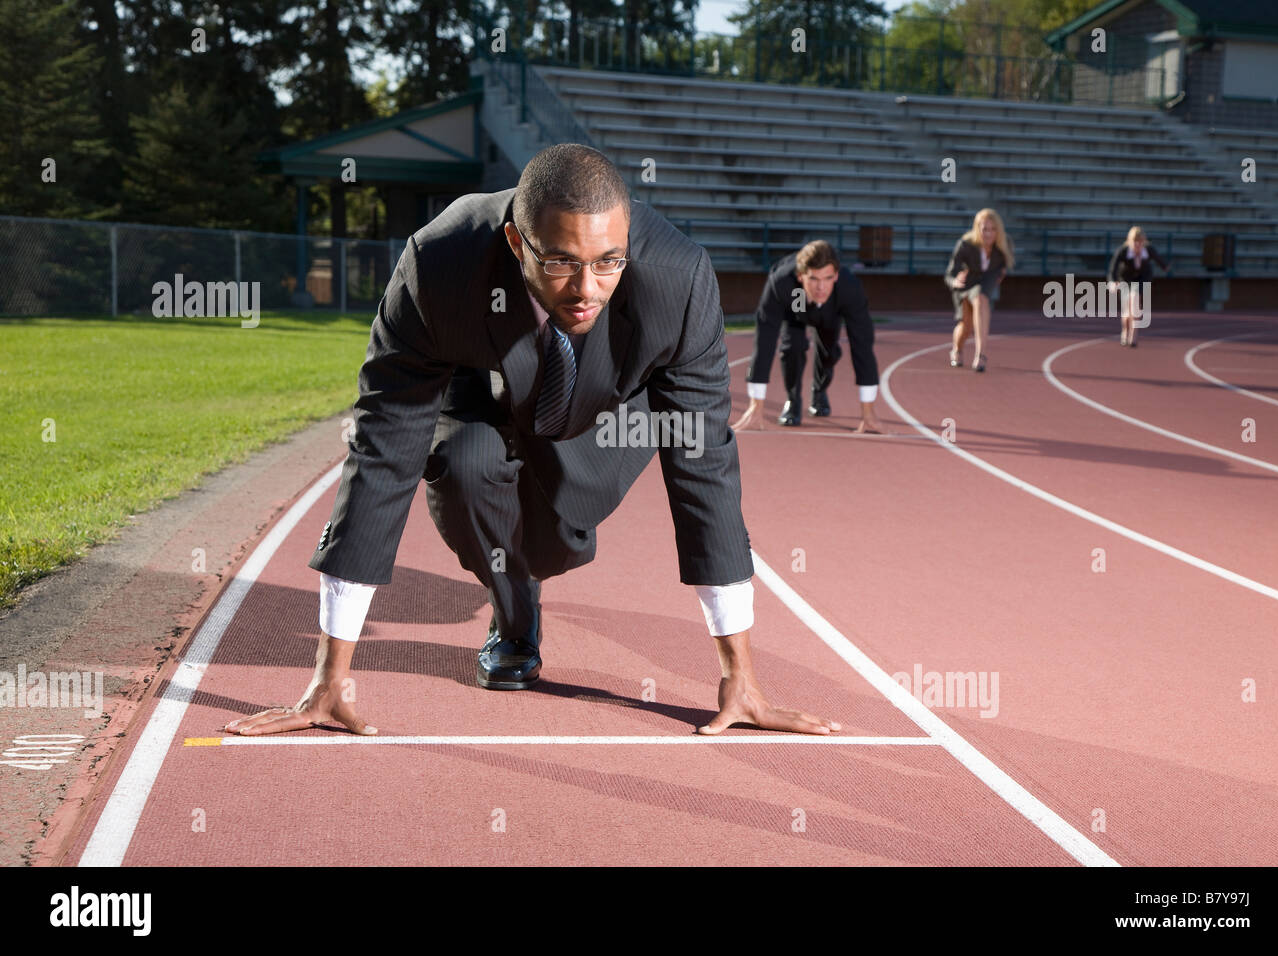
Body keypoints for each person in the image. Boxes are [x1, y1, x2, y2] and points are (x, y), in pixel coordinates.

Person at [225, 144, 839, 738]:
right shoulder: (440, 265)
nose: (587, 289)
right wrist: (329, 679)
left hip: (611, 409)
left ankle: (540, 559)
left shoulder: (677, 282)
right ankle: (515, 624)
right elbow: (384, 444)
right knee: (466, 470)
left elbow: (703, 463)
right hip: (482, 394)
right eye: (563, 262)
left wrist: (742, 677)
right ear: (518, 242)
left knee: (552, 542)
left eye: (608, 261)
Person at [732, 241, 886, 432]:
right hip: (797, 302)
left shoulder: (849, 288)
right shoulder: (782, 282)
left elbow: (862, 345)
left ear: (836, 275)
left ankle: (819, 390)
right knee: (792, 347)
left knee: (829, 353)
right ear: (801, 275)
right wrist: (755, 406)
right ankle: (793, 400)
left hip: (831, 309)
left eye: (827, 278)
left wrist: (868, 412)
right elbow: (764, 341)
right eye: (814, 278)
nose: (821, 287)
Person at [944, 209, 1013, 373]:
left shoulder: (1003, 246)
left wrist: (1000, 274)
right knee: (965, 327)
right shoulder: (965, 245)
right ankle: (956, 349)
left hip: (986, 283)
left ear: (998, 231)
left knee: (982, 300)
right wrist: (955, 280)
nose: (988, 234)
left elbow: (1002, 268)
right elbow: (949, 274)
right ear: (977, 229)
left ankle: (980, 355)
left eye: (992, 229)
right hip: (966, 284)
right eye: (984, 229)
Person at [1107, 226, 1168, 348]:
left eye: (1140, 242)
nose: (1137, 245)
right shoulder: (1123, 251)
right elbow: (1112, 270)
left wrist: (1165, 267)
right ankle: (1125, 331)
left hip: (1141, 280)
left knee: (1135, 306)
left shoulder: (1148, 250)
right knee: (1126, 312)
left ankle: (1133, 336)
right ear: (1129, 241)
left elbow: (1159, 260)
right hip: (1124, 280)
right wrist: (1112, 283)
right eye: (1135, 242)